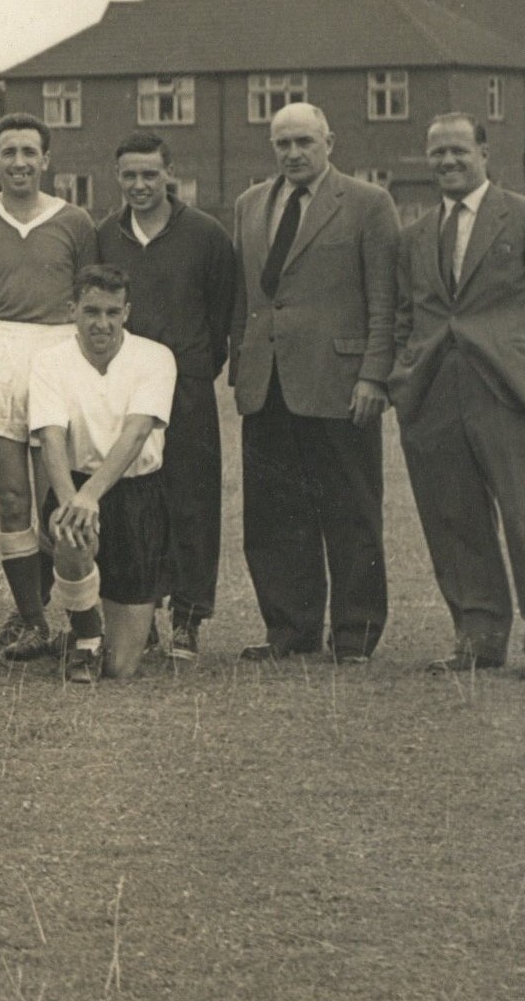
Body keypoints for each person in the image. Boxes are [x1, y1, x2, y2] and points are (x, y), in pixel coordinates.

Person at [391, 114, 525, 680]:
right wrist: (405, 380)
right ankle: (478, 637)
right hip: (432, 394)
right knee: (453, 519)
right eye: (437, 154)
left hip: (508, 390)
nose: (447, 162)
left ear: (483, 152)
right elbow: (409, 316)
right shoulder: (416, 234)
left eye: (458, 151)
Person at [230, 103, 399, 663]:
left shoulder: (368, 204)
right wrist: (241, 368)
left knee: (349, 511)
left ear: (330, 141)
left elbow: (385, 299)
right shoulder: (250, 204)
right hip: (266, 384)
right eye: (283, 143)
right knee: (274, 514)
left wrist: (375, 375)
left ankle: (355, 633)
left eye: (305, 141)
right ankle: (291, 630)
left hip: (339, 383)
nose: (294, 153)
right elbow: (249, 298)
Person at [0, 112, 95, 662]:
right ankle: (32, 620)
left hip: (57, 356)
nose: (19, 163)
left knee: (60, 501)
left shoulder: (76, 222)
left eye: (29, 152)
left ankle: (70, 608)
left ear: (46, 159)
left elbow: (90, 302)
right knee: (12, 501)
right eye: (9, 153)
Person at [90, 130, 242, 659]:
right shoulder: (105, 234)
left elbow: (223, 313)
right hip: (123, 388)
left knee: (192, 499)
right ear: (117, 177)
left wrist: (193, 369)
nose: (139, 185)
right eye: (129, 175)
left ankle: (189, 617)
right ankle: (141, 609)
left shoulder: (206, 234)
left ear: (169, 174)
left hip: (187, 389)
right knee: (132, 498)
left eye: (149, 174)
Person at [29, 266, 178, 683]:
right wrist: (69, 500)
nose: (102, 323)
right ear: (72, 310)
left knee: (121, 668)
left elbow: (136, 434)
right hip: (71, 485)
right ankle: (86, 633)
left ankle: (121, 623)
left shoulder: (155, 356)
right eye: (91, 311)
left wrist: (90, 496)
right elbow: (51, 436)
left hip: (137, 495)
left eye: (113, 312)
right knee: (72, 535)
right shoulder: (48, 361)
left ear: (127, 312)